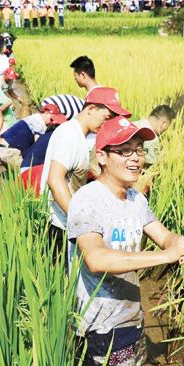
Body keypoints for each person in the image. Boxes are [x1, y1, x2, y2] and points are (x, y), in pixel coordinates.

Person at [67, 116, 184, 366]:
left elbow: (164, 237)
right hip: (102, 325)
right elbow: (96, 260)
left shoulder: (136, 199)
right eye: (125, 150)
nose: (135, 157)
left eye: (139, 149)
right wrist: (166, 256)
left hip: (130, 318)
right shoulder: (87, 200)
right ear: (103, 156)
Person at [40, 87, 130, 254]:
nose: (106, 124)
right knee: (62, 275)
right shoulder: (70, 134)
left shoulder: (79, 136)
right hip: (59, 224)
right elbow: (55, 179)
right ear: (91, 109)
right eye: (106, 118)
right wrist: (79, 220)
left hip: (66, 222)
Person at [0, 103, 66, 152]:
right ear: (46, 113)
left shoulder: (33, 117)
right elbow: (38, 146)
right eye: (51, 119)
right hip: (7, 150)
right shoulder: (39, 124)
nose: (51, 122)